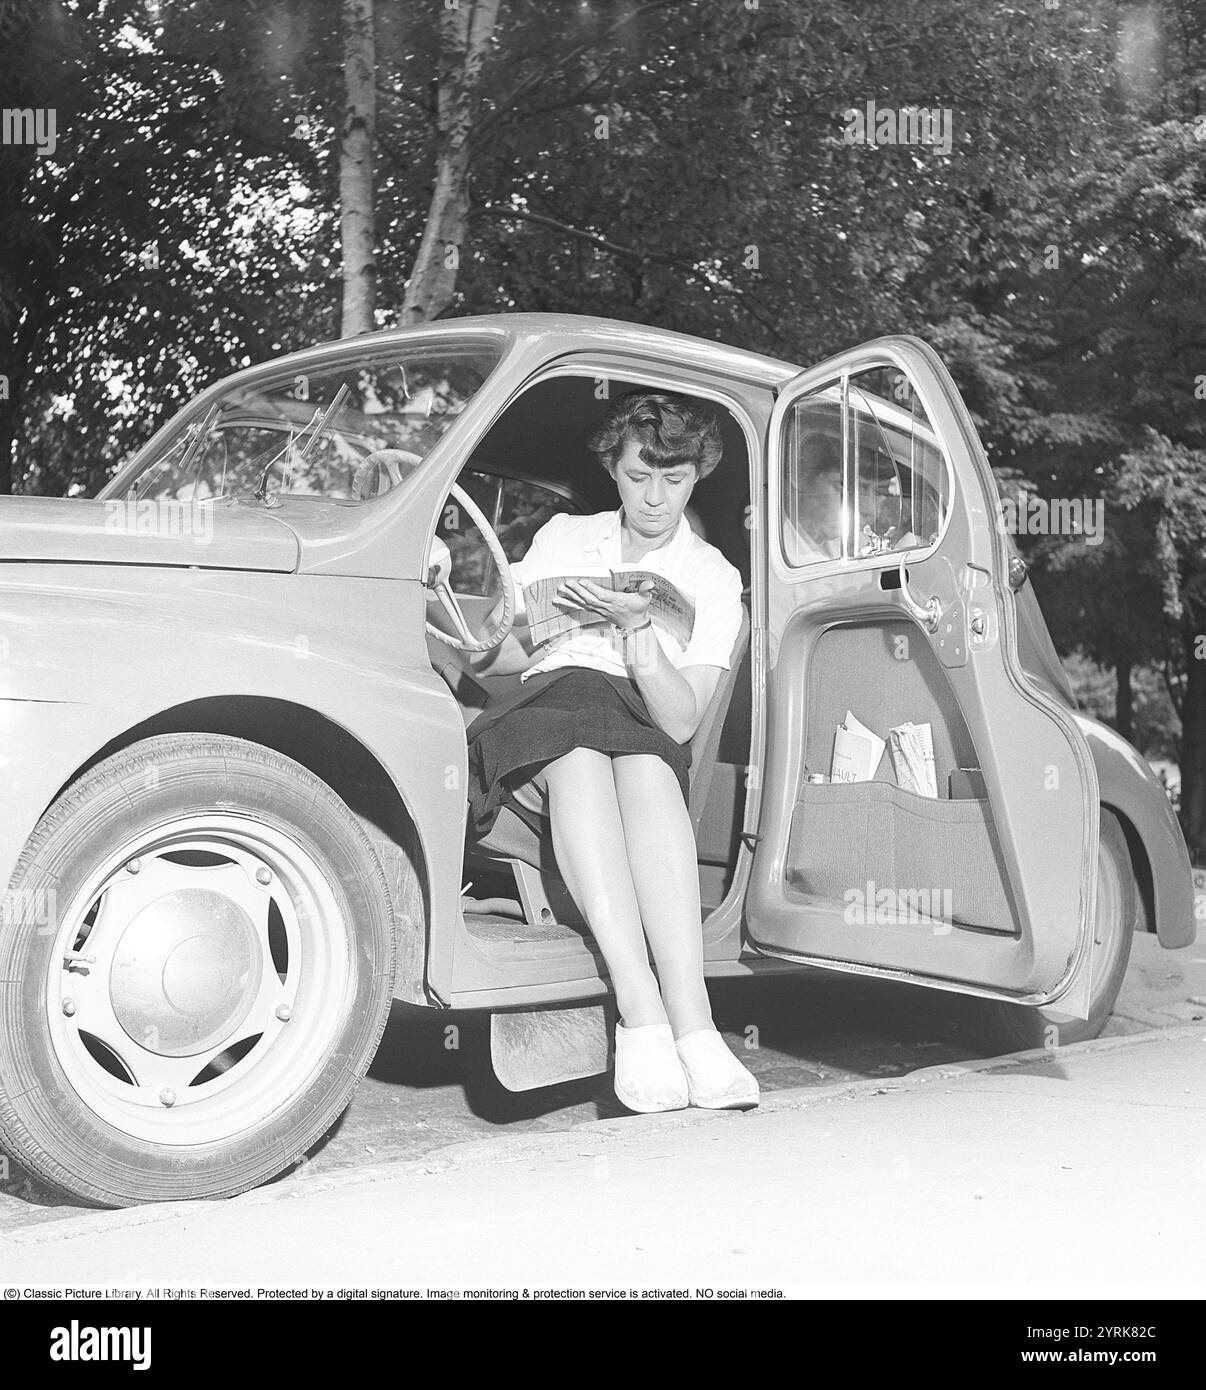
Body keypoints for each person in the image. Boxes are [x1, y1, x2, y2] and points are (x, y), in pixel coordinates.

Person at [465, 391, 758, 1113]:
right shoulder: (567, 536)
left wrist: (641, 640)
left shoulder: (713, 577)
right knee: (578, 756)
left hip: (639, 709)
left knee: (652, 771)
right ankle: (641, 1007)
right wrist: (523, 625)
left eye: (674, 480)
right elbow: (497, 665)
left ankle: (694, 1024)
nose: (654, 498)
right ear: (615, 469)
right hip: (551, 698)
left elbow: (683, 722)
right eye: (637, 478)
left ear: (697, 475)